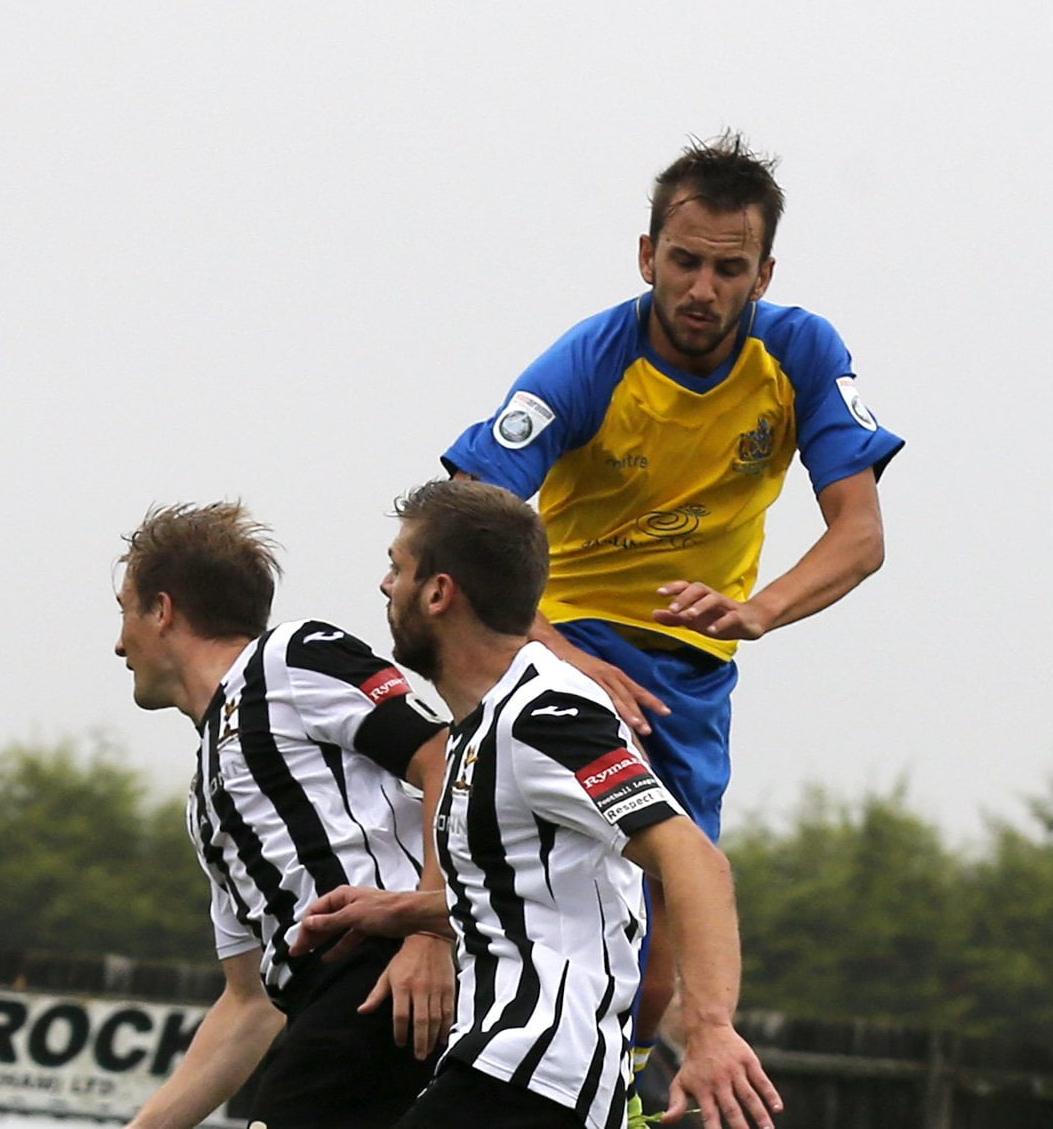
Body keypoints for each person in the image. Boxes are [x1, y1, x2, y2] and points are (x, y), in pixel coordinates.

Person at [439, 131, 903, 1080]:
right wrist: (562, 654)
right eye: (684, 261)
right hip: (560, 647)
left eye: (728, 269)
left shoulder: (800, 353)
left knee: (653, 963)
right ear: (647, 254)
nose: (702, 288)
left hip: (692, 674)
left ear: (762, 272)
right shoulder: (586, 361)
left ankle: (625, 1086)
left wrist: (760, 609)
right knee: (535, 906)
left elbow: (861, 534)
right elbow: (460, 526)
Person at [296, 479, 781, 1129]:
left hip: (531, 1071)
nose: (386, 586)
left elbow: (691, 856)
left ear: (439, 592)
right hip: (513, 1069)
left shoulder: (545, 713)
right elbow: (549, 899)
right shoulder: (486, 723)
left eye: (398, 567)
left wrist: (710, 1027)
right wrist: (403, 910)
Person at [113, 502, 454, 1129]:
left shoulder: (291, 658)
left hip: (386, 969)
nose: (118, 644)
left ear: (161, 611)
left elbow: (443, 759)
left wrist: (431, 931)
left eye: (125, 613)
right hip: (322, 1008)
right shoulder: (209, 795)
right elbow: (249, 1004)